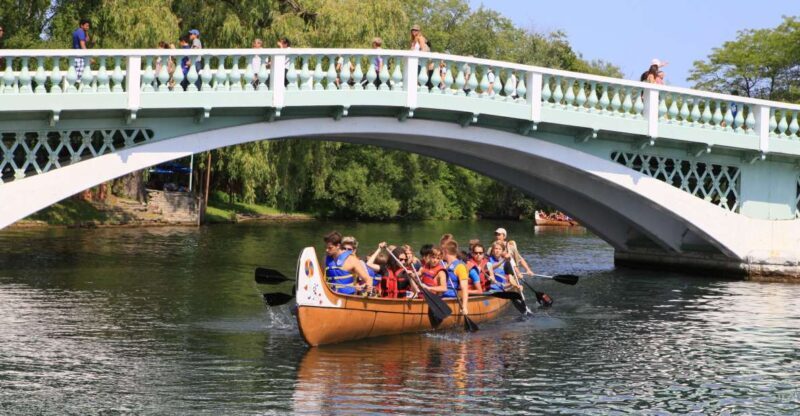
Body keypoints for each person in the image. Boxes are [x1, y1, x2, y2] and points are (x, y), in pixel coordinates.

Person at [323, 231, 372, 295]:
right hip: (329, 295)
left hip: (348, 296)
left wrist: (367, 287)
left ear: (338, 246)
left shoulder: (352, 260)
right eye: (326, 247)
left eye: (330, 248)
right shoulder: (327, 259)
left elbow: (368, 279)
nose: (327, 250)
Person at [442, 241, 469, 315]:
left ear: (446, 251)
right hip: (440, 296)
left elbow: (464, 289)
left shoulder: (460, 267)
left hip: (451, 297)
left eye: (442, 251)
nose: (441, 254)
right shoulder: (443, 264)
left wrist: (464, 306)